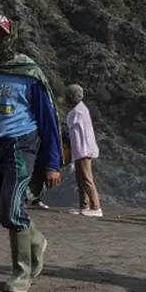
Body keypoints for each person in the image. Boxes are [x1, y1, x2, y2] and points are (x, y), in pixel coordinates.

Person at [0, 15, 63, 292]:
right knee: (0, 209)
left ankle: (22, 272)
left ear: (10, 37)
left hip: (20, 144)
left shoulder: (28, 74)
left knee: (11, 205)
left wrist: (52, 163)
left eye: (0, 35)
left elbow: (49, 119)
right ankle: (35, 239)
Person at [64, 84, 103, 217]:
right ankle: (84, 205)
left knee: (86, 178)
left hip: (83, 150)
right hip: (80, 150)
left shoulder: (78, 112)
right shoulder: (80, 110)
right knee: (80, 179)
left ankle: (95, 207)